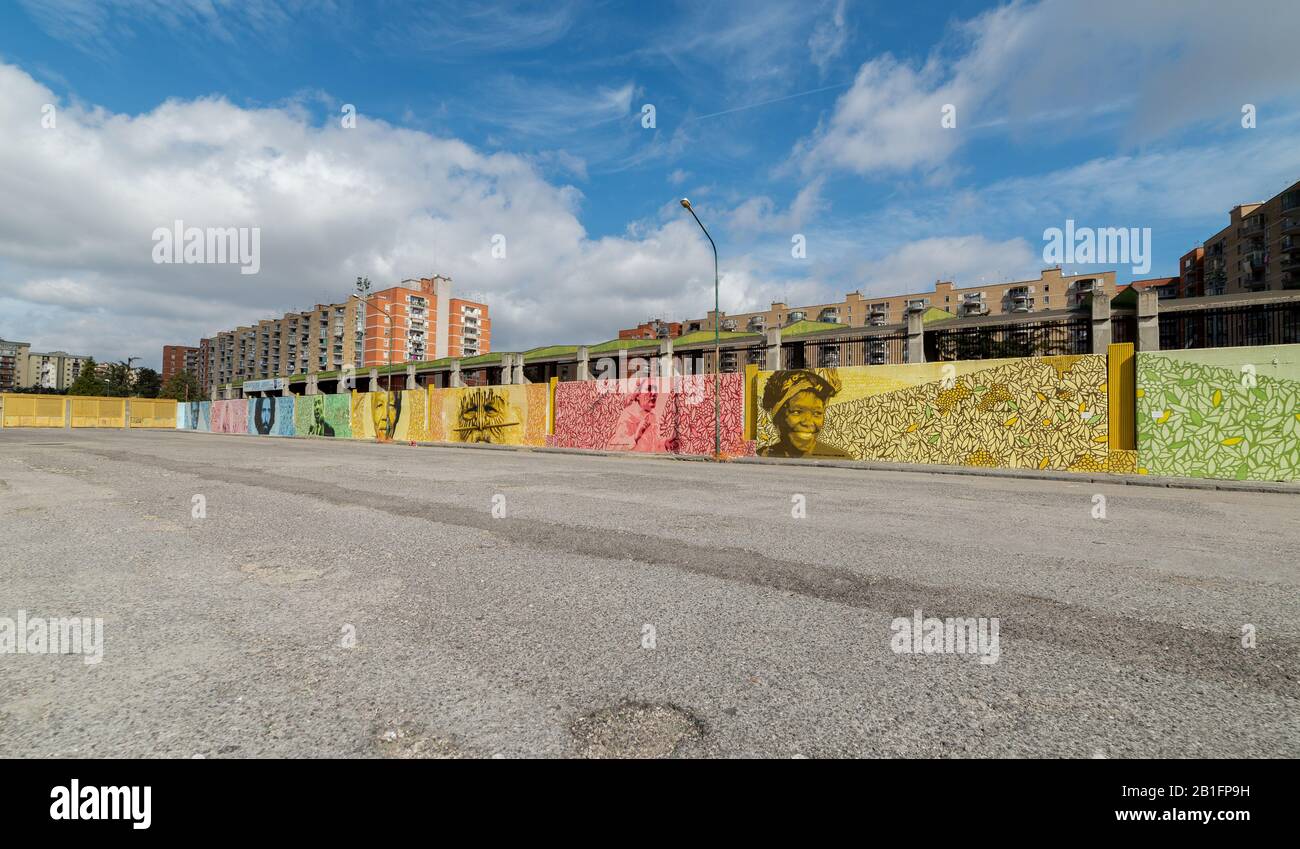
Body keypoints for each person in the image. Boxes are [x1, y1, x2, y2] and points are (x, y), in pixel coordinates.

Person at [758, 368, 851, 458]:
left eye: (817, 413)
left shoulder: (840, 459)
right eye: (797, 412)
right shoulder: (762, 456)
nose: (808, 422)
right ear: (777, 417)